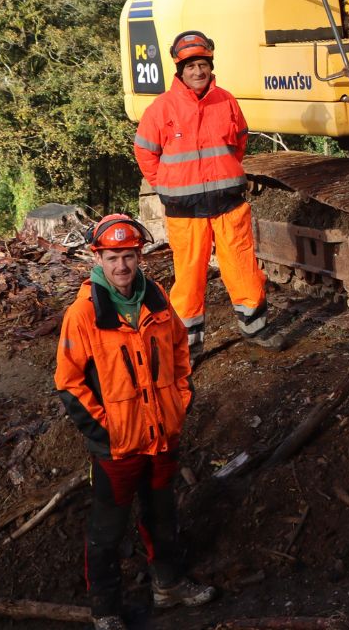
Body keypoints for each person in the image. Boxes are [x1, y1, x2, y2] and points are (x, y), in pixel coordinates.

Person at [55, 214, 215, 629]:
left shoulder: (157, 298)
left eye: (128, 257)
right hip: (117, 446)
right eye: (112, 258)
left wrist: (180, 403)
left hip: (162, 436)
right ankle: (106, 610)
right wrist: (104, 431)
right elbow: (69, 382)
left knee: (162, 516)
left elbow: (181, 353)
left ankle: (168, 585)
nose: (121, 267)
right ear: (99, 259)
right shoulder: (83, 313)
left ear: (139, 256)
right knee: (107, 530)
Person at [132, 30, 272, 351]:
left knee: (243, 268)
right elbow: (144, 152)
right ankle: (188, 347)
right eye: (191, 66)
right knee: (189, 279)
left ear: (210, 65)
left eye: (203, 64)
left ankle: (256, 329)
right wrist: (165, 186)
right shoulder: (161, 109)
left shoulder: (227, 101)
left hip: (229, 204)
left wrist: (226, 175)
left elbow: (239, 142)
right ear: (179, 71)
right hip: (185, 210)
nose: (198, 71)